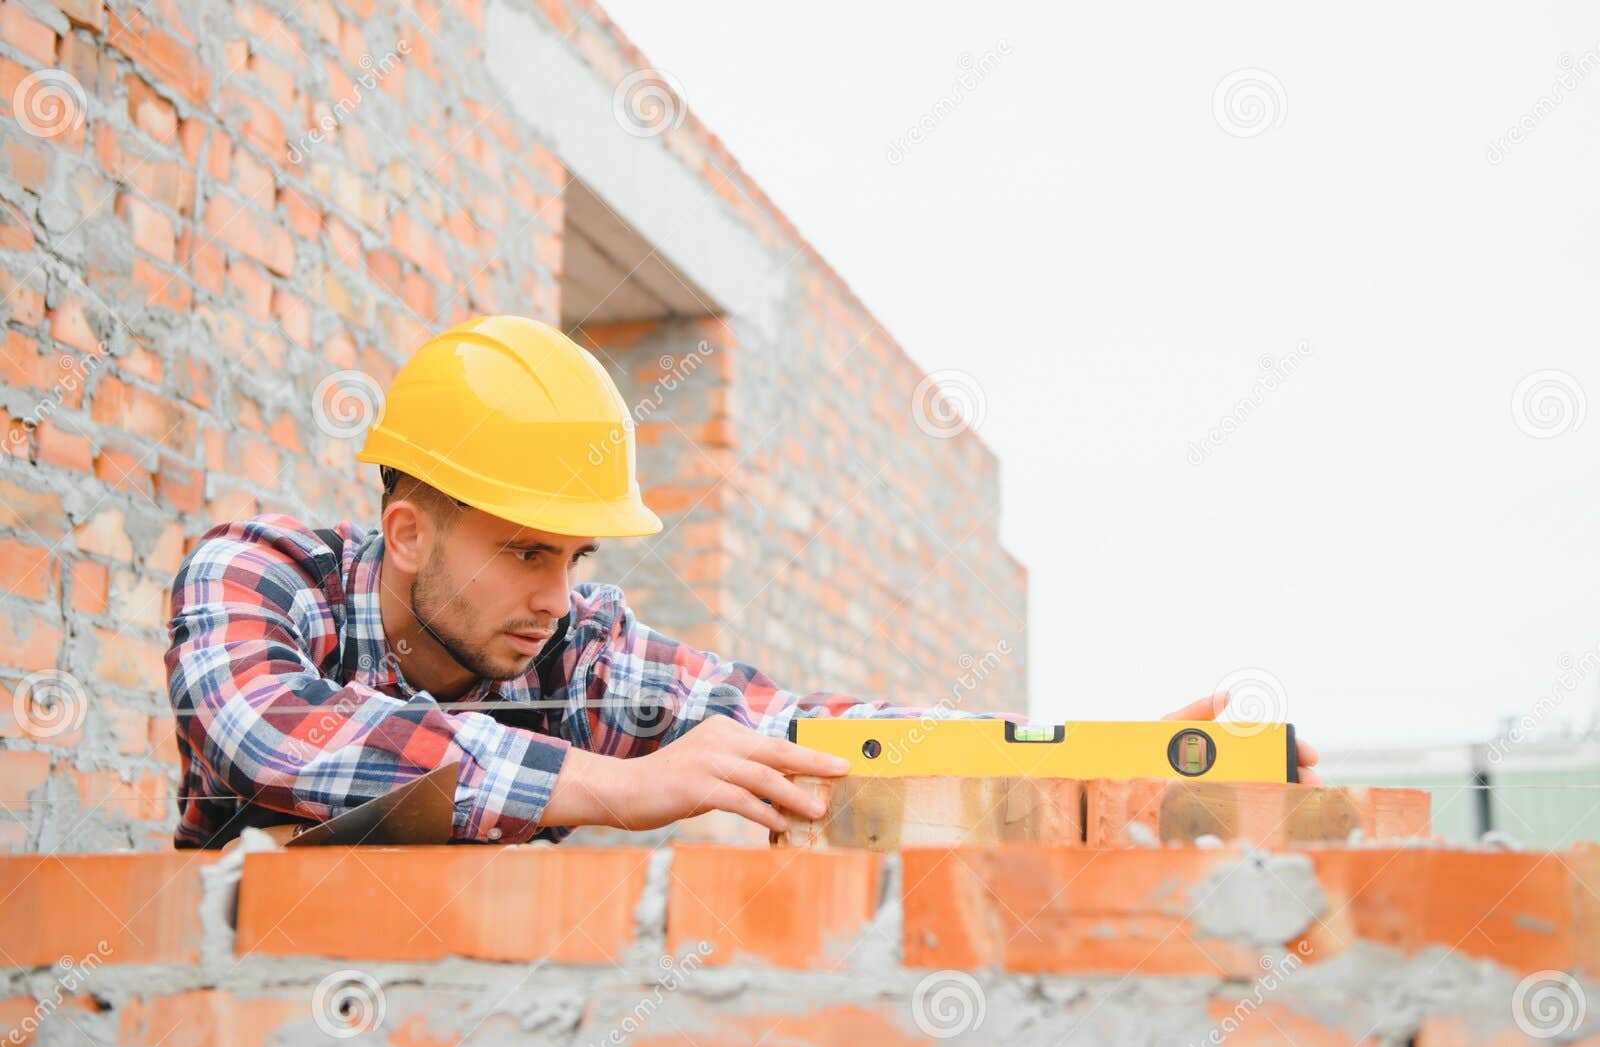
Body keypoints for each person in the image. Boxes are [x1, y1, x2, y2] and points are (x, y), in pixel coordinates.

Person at [164, 315, 1318, 850]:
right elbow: (276, 734)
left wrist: (1098, 762)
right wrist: (619, 790)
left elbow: (806, 729)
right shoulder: (257, 577)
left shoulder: (577, 651)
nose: (557, 595)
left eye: (576, 559)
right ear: (407, 533)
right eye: (526, 550)